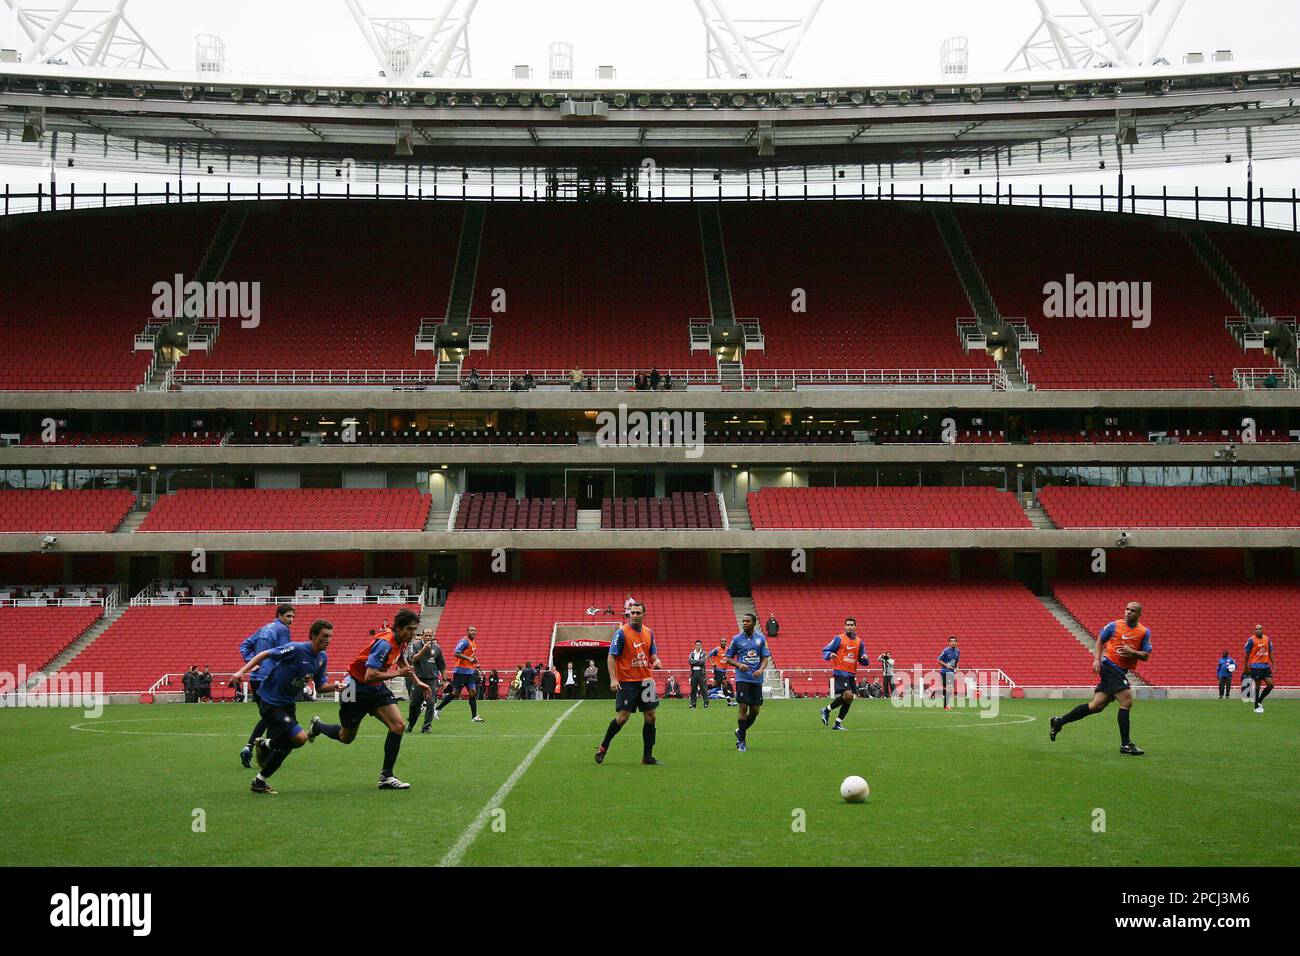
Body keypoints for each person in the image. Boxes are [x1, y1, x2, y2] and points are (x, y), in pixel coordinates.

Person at [307, 609, 429, 789]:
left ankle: (386, 776)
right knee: (346, 737)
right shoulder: (385, 644)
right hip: (354, 689)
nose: (413, 633)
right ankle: (317, 726)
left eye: (414, 629)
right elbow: (369, 676)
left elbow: (400, 659)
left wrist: (417, 682)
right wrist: (398, 673)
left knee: (398, 726)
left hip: (376, 689)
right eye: (410, 629)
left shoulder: (400, 640)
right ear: (400, 628)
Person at [230, 619, 347, 795]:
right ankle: (265, 745)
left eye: (331, 636)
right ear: (314, 636)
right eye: (324, 636)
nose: (328, 640)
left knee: (290, 744)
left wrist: (335, 687)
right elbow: (265, 654)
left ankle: (259, 780)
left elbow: (321, 686)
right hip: (270, 701)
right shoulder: (297, 649)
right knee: (300, 737)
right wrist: (241, 672)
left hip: (288, 705)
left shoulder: (322, 658)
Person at [1049, 601, 1150, 756]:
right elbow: (1100, 641)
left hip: (1120, 671)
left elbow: (1145, 656)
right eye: (1127, 609)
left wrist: (1132, 651)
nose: (1128, 612)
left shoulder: (1144, 632)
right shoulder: (1114, 625)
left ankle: (1059, 721)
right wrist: (1096, 659)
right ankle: (1125, 744)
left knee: (1096, 706)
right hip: (1109, 666)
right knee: (1126, 701)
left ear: (1139, 614)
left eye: (1133, 610)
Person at [595, 602, 662, 765]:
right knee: (623, 718)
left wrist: (656, 659)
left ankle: (647, 757)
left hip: (646, 681)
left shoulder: (648, 633)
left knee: (651, 716)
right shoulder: (621, 633)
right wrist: (613, 679)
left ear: (644, 614)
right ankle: (603, 747)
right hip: (627, 683)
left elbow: (652, 653)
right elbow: (612, 656)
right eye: (632, 613)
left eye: (638, 612)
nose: (634, 615)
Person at [237, 604, 295, 768]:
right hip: (269, 678)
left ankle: (249, 747)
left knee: (268, 716)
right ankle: (265, 752)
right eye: (288, 616)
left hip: (256, 678)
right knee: (274, 716)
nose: (291, 620)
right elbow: (285, 653)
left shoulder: (263, 629)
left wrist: (250, 662)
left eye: (293, 617)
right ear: (280, 616)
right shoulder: (282, 630)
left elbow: (244, 645)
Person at [727, 613, 771, 752]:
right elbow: (728, 658)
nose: (744, 623)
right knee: (743, 707)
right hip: (742, 678)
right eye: (743, 621)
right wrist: (739, 665)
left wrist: (761, 669)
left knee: (755, 710)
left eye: (747, 621)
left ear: (753, 623)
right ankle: (742, 741)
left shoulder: (761, 638)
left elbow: (765, 658)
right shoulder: (737, 639)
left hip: (756, 678)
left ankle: (740, 731)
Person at [820, 617, 866, 731]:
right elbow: (826, 650)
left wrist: (865, 658)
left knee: (849, 699)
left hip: (851, 673)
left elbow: (863, 659)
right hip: (840, 671)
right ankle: (826, 710)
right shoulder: (839, 638)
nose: (850, 627)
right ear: (844, 626)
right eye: (848, 625)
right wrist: (830, 654)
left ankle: (837, 723)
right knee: (848, 695)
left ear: (855, 627)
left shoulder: (860, 642)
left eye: (852, 625)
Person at [435, 625, 485, 721]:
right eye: (471, 630)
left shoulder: (473, 642)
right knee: (455, 693)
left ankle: (474, 717)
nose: (473, 632)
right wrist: (468, 658)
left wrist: (473, 658)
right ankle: (438, 709)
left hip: (470, 671)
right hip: (461, 671)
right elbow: (456, 652)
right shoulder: (464, 641)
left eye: (475, 630)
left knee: (473, 692)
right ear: (467, 632)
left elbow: (469, 654)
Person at [405, 628, 445, 734]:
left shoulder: (437, 648)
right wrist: (424, 649)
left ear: (432, 636)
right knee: (414, 705)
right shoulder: (416, 645)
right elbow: (414, 659)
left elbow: (441, 664)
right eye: (426, 635)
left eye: (430, 636)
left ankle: (426, 727)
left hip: (432, 679)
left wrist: (444, 678)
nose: (428, 638)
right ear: (422, 636)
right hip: (418, 679)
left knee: (431, 702)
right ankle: (411, 724)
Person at [1243, 624, 1276, 713]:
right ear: (1254, 630)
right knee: (1257, 686)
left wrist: (1273, 664)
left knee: (1270, 685)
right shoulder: (1251, 640)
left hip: (1265, 666)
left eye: (1260, 629)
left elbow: (1270, 652)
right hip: (1255, 666)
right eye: (1256, 629)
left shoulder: (1267, 639)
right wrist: (1245, 665)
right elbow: (1246, 654)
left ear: (1262, 630)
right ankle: (1256, 706)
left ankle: (1260, 700)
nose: (1258, 630)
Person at [709, 637, 736, 706]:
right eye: (722, 641)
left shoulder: (727, 649)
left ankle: (703, 690)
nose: (723, 642)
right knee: (724, 683)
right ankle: (729, 701)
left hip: (723, 670)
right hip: (718, 670)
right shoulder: (717, 650)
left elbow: (729, 657)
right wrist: (713, 663)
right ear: (720, 642)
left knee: (715, 685)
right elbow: (709, 655)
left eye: (724, 641)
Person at [936, 636, 960, 711]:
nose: (953, 642)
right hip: (945, 671)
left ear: (956, 642)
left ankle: (945, 705)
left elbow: (955, 661)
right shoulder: (945, 651)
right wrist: (947, 665)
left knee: (948, 689)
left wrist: (957, 667)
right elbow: (939, 660)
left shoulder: (958, 652)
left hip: (951, 672)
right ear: (949, 643)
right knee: (949, 689)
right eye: (951, 641)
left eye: (954, 641)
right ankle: (945, 706)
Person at [687, 640, 709, 709]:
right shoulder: (692, 653)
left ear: (701, 645)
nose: (698, 646)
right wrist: (698, 661)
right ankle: (693, 704)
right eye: (697, 645)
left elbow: (703, 662)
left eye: (699, 645)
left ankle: (706, 703)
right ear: (695, 645)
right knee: (693, 689)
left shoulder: (704, 653)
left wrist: (694, 662)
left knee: (704, 689)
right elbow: (690, 661)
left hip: (701, 673)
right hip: (693, 673)